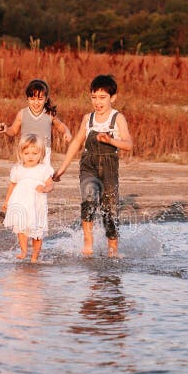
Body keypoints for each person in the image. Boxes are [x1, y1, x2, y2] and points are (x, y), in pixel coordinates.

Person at [53, 74, 133, 257]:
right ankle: (88, 241)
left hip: (109, 169)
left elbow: (128, 144)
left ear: (113, 98)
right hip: (88, 165)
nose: (97, 102)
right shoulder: (88, 119)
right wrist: (62, 168)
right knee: (89, 197)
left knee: (110, 211)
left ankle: (112, 247)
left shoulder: (117, 118)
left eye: (102, 97)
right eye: (94, 97)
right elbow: (76, 143)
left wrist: (110, 140)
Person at [2, 134, 55, 262]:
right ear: (21, 154)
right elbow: (12, 185)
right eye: (26, 153)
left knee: (37, 231)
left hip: (37, 205)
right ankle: (24, 250)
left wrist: (45, 188)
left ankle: (35, 256)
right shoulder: (17, 169)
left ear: (41, 154)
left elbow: (50, 184)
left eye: (34, 153)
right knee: (21, 228)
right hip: (21, 203)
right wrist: (6, 201)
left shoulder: (43, 169)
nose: (30, 156)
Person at [0, 79, 72, 165]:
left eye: (40, 99)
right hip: (26, 151)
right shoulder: (22, 114)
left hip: (43, 153)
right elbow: (13, 131)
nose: (36, 102)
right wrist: (6, 130)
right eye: (32, 99)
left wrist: (67, 132)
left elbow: (60, 125)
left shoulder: (49, 114)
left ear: (46, 99)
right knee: (25, 176)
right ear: (27, 99)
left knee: (43, 177)